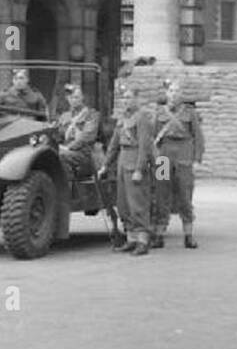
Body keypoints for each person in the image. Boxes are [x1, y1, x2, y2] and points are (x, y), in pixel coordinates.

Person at [99, 73, 155, 256]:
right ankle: (131, 239)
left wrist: (139, 169)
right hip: (123, 161)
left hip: (134, 161)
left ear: (137, 99)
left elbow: (144, 146)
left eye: (130, 97)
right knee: (123, 204)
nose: (127, 101)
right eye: (125, 97)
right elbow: (114, 144)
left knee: (137, 204)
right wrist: (106, 165)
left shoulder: (142, 118)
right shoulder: (123, 119)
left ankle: (143, 241)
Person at [151, 77, 205, 249]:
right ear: (166, 94)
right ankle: (159, 234)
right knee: (161, 194)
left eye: (177, 91)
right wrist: (154, 157)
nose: (174, 95)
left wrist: (196, 158)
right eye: (171, 91)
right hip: (164, 155)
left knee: (185, 194)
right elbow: (152, 137)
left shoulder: (189, 113)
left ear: (181, 94)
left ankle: (188, 235)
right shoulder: (158, 113)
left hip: (183, 153)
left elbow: (198, 137)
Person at [55, 82, 102, 181]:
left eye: (76, 97)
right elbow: (56, 135)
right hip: (67, 152)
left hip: (84, 155)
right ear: (67, 99)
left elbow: (87, 137)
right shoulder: (64, 116)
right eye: (71, 97)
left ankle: (67, 189)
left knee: (61, 156)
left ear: (82, 97)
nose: (73, 100)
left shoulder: (91, 115)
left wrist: (68, 148)